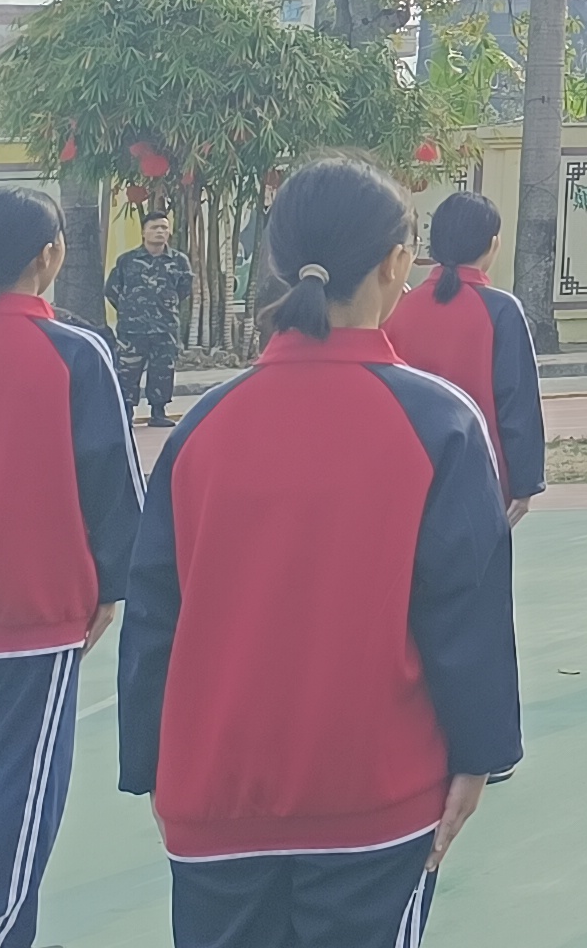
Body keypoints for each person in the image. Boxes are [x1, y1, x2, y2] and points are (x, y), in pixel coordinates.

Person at [123, 157, 520, 947]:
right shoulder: (438, 422)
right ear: (396, 264)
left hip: (214, 799)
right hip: (373, 795)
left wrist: (149, 762)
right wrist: (481, 755)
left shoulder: (204, 427)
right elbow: (463, 610)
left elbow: (155, 613)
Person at [0, 187, 138, 948]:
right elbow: (113, 486)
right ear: (49, 254)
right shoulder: (76, 352)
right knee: (20, 797)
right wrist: (108, 589)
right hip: (34, 617)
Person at [384, 191, 551, 523]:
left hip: (406, 476)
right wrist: (524, 484)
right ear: (492, 244)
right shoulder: (500, 309)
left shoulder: (397, 309)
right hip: (482, 479)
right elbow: (516, 401)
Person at [109, 208, 197, 426]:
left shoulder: (179, 261)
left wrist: (164, 308)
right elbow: (112, 289)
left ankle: (158, 413)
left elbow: (184, 289)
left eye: (164, 228)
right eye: (154, 227)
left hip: (165, 328)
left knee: (162, 371)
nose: (160, 231)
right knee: (127, 373)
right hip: (132, 329)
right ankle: (126, 412)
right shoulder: (127, 261)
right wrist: (130, 310)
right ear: (143, 232)